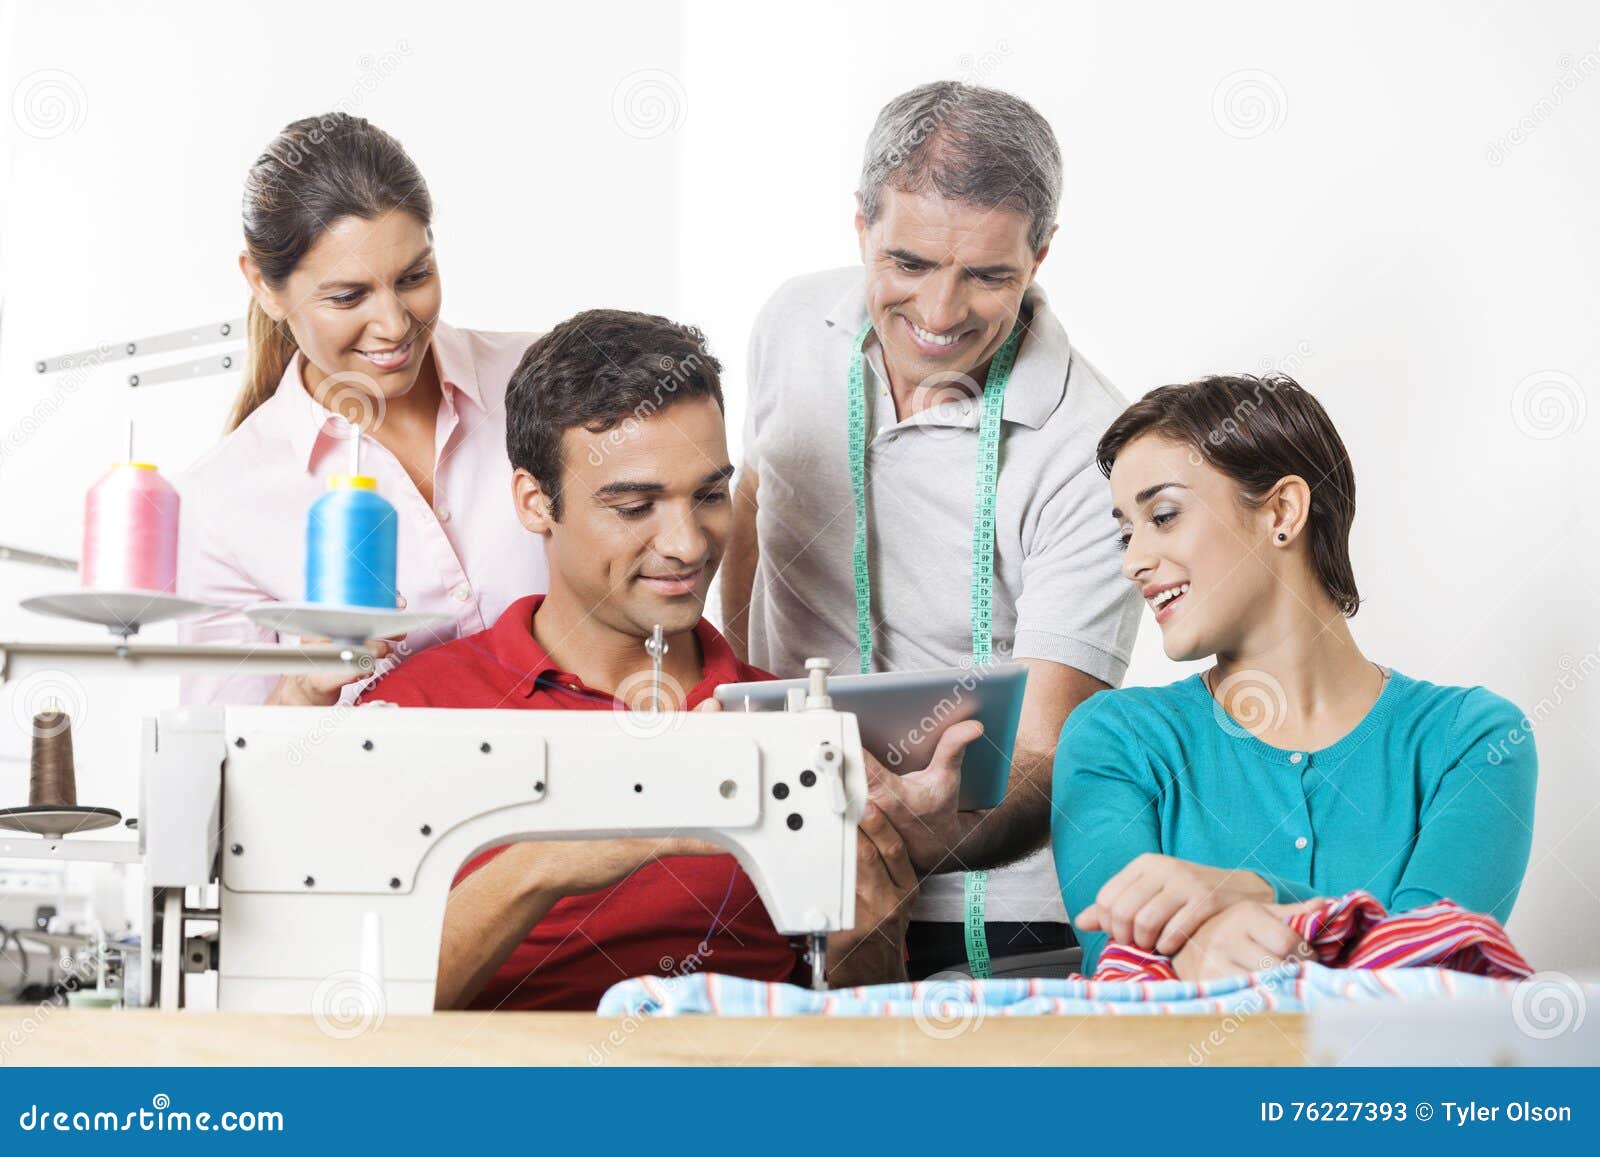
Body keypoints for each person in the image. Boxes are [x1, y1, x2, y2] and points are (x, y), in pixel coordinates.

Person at [356, 309, 974, 1010]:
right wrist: (559, 853)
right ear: (535, 502)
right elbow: (349, 1014)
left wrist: (872, 927)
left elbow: (862, 1027)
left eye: (710, 495)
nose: (686, 544)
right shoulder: (415, 711)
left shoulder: (787, 722)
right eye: (635, 505)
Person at [723, 82, 1141, 977]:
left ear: (1042, 254)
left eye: (988, 275)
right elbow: (752, 500)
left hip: (990, 903)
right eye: (909, 263)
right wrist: (728, 681)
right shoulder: (795, 323)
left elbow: (1048, 747)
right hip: (775, 857)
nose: (942, 313)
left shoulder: (1092, 444)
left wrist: (924, 836)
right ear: (861, 224)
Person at [1052, 374, 1537, 978]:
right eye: (1126, 532)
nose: (1133, 562)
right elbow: (1127, 967)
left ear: (1282, 511)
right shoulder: (1112, 739)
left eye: (1165, 515)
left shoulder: (1473, 740)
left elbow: (1432, 964)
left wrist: (1250, 896)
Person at [177, 112, 542, 706]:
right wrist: (304, 686)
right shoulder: (221, 502)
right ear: (264, 285)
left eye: (415, 276)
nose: (395, 325)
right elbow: (226, 765)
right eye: (348, 296)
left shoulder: (541, 382)